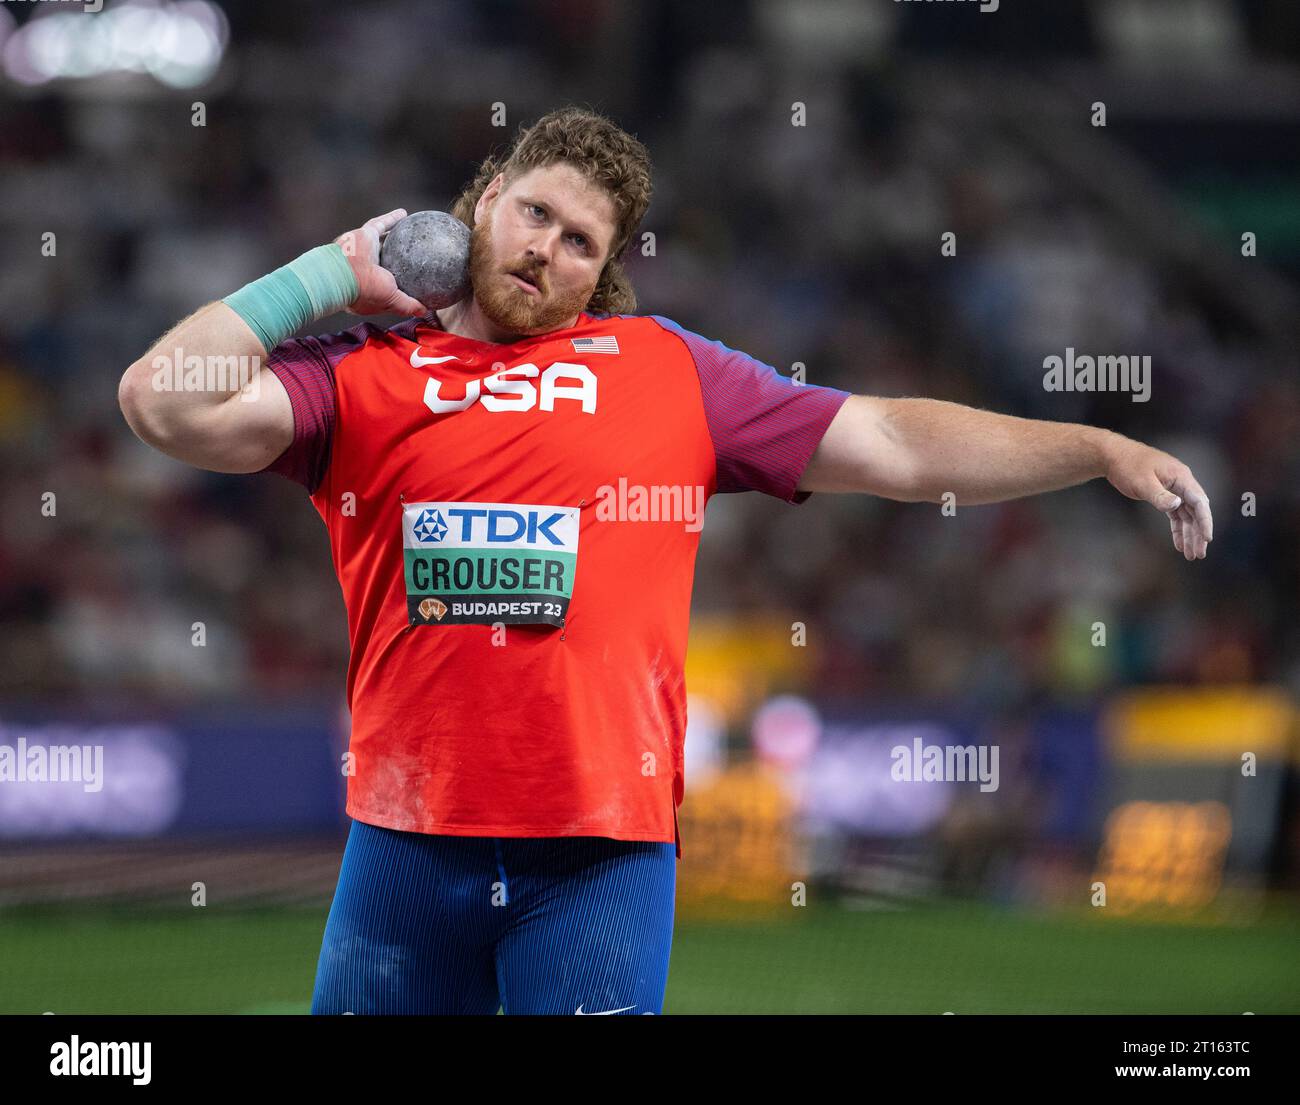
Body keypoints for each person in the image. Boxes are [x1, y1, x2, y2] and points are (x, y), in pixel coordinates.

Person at [117, 107, 1213, 1015]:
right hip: (406, 844)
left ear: (600, 275)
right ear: (484, 199)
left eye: (580, 242)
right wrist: (326, 274)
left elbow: (889, 439)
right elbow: (158, 400)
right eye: (534, 212)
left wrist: (1094, 447)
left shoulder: (669, 373)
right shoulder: (359, 370)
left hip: (599, 852)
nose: (545, 247)